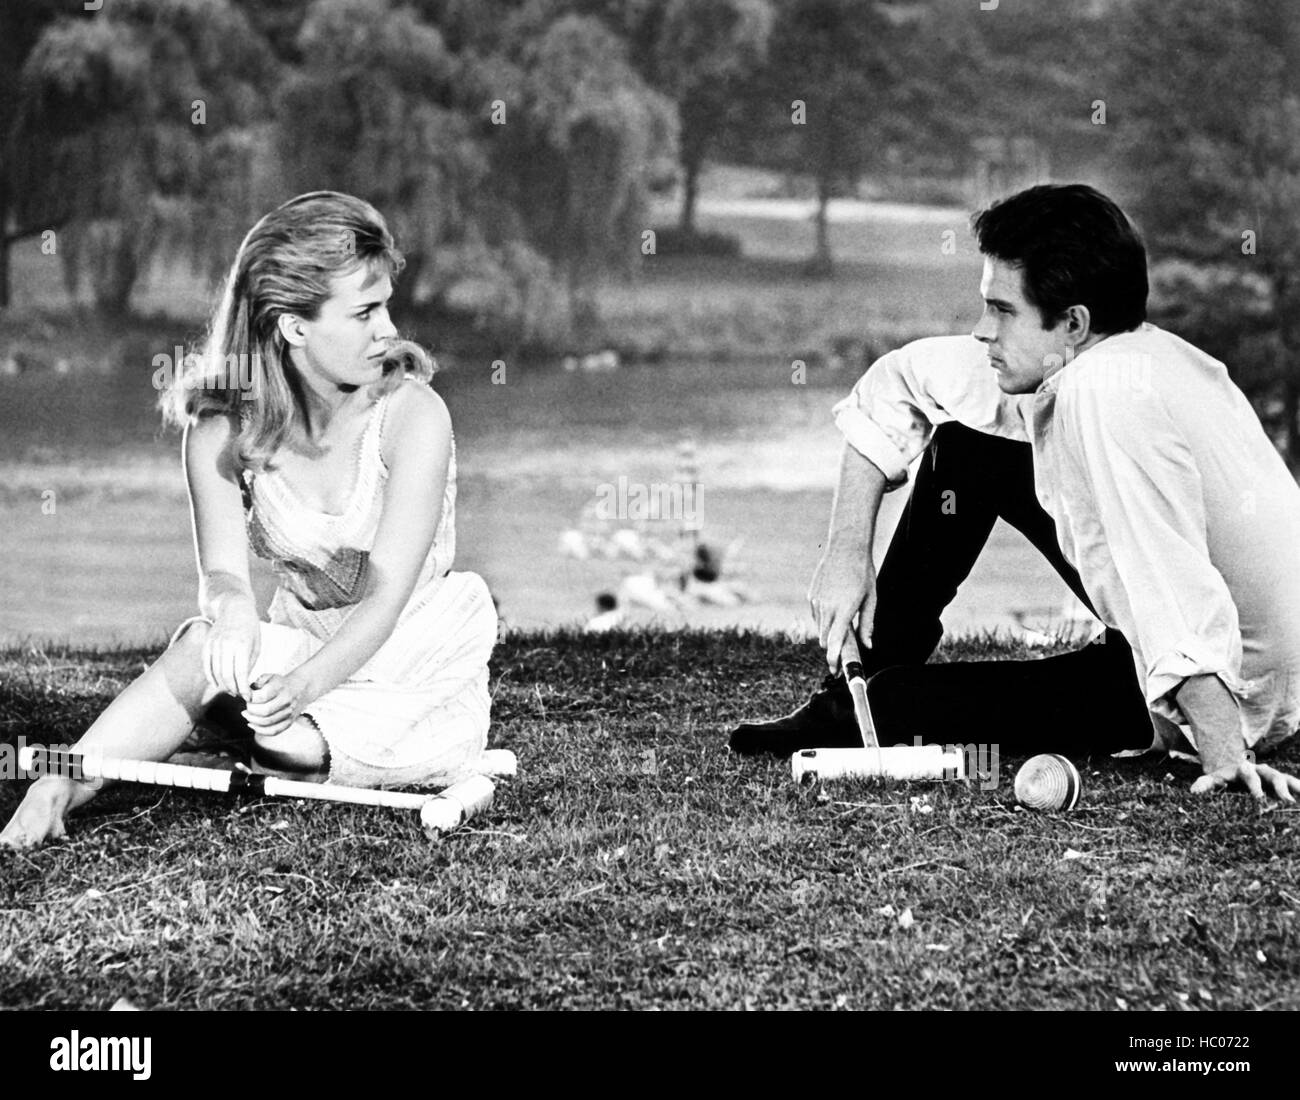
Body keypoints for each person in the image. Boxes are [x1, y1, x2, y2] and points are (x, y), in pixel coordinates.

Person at [730, 183, 1300, 805]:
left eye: (1002, 311)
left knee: (904, 709)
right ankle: (859, 685)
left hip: (1234, 693)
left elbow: (1170, 578)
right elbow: (899, 383)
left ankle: (869, 708)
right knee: (970, 446)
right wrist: (845, 552)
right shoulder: (1120, 354)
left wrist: (1224, 753)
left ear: (1074, 321)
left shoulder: (1108, 396)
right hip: (1182, 647)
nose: (982, 331)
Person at [2, 191, 500, 850]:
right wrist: (235, 613)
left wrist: (300, 688)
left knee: (290, 736)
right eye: (364, 311)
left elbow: (384, 600)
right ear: (294, 327)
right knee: (203, 647)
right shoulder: (218, 434)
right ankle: (60, 781)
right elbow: (224, 578)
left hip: (412, 646)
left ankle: (274, 735)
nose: (388, 329)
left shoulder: (414, 416)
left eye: (384, 304)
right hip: (304, 641)